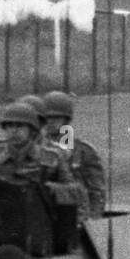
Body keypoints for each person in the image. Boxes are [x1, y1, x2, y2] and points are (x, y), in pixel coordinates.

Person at [0, 102, 85, 208]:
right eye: (9, 126)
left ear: (31, 130)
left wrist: (48, 189)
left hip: (42, 218)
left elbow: (75, 193)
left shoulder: (51, 158)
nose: (14, 131)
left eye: (19, 126)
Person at [41, 90, 106, 221]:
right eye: (47, 118)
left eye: (56, 118)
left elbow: (96, 191)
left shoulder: (83, 151)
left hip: (77, 215)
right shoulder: (38, 148)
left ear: (66, 120)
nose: (51, 122)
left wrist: (93, 220)